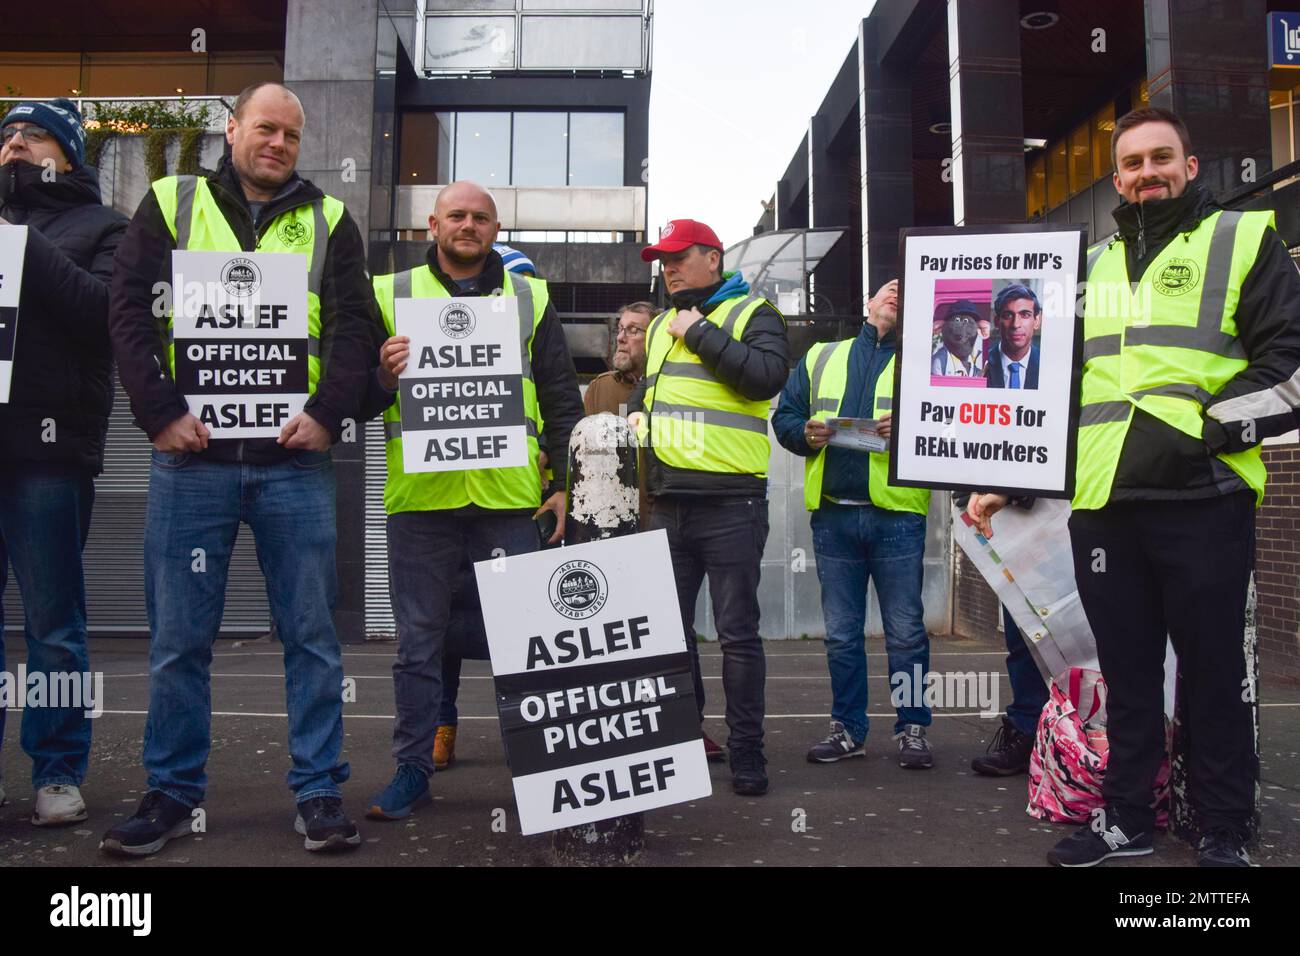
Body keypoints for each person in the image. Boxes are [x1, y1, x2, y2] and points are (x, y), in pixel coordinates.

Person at [969, 107, 1300, 868]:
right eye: (1133, 163)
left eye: (1162, 157)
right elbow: (1056, 392)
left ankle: (1223, 828)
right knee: (1125, 675)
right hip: (1105, 507)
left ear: (1190, 167)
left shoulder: (1244, 238)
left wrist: (1207, 430)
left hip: (1205, 496)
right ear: (1115, 178)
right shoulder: (1088, 266)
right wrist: (1002, 482)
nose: (1147, 172)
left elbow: (1289, 366)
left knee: (1214, 673)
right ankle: (1125, 820)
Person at [103, 81, 386, 856]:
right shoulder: (169, 199)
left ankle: (319, 789)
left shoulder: (330, 219)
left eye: (292, 136)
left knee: (311, 635)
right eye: (267, 129)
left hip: (293, 463)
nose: (279, 145)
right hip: (191, 460)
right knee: (178, 640)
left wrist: (328, 414)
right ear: (233, 130)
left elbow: (357, 328)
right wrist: (158, 411)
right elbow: (127, 310)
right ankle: (169, 791)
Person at [369, 180, 582, 818]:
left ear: (496, 228)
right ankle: (411, 771)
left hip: (507, 503)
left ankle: (540, 773)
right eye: (456, 215)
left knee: (526, 646)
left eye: (481, 217)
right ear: (431, 225)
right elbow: (353, 396)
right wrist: (383, 373)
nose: (468, 225)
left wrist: (564, 486)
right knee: (417, 646)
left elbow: (561, 399)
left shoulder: (529, 297)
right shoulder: (390, 294)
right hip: (421, 504)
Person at [627, 219, 789, 795]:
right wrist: (633, 413)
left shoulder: (751, 313)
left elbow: (766, 379)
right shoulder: (657, 328)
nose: (667, 268)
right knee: (668, 632)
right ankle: (686, 736)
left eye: (679, 257)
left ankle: (748, 751)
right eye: (662, 260)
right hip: (668, 503)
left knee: (736, 634)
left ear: (714, 260)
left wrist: (699, 333)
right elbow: (654, 393)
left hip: (731, 503)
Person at [0, 98, 127, 826]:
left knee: (52, 625)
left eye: (33, 134)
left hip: (47, 453)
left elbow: (100, 315)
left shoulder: (102, 228)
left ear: (69, 154)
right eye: (7, 135)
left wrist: (16, 238)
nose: (15, 143)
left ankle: (56, 771)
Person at [773, 279, 936, 768]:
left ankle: (913, 729)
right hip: (834, 513)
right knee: (842, 634)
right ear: (868, 301)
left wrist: (910, 430)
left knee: (906, 631)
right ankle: (848, 729)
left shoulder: (931, 360)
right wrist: (802, 432)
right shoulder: (821, 355)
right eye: (889, 287)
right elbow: (786, 417)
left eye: (907, 291)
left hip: (897, 514)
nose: (896, 294)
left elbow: (951, 426)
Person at [429, 236, 549, 772]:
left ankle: (524, 738)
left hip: (513, 501)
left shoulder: (536, 330)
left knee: (517, 630)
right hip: (444, 496)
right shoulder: (440, 320)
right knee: (439, 630)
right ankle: (440, 728)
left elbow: (554, 404)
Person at [584, 302, 654, 418]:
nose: (620, 338)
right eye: (620, 329)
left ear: (654, 338)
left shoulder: (666, 389)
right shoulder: (599, 387)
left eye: (633, 330)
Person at [985, 283, 1041, 389]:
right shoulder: (979, 366)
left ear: (1036, 321)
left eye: (1025, 315)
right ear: (997, 322)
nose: (1016, 325)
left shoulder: (1049, 366)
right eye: (1008, 315)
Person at [931, 304, 983, 377]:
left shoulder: (975, 359)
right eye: (957, 320)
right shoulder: (940, 361)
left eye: (966, 321)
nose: (961, 325)